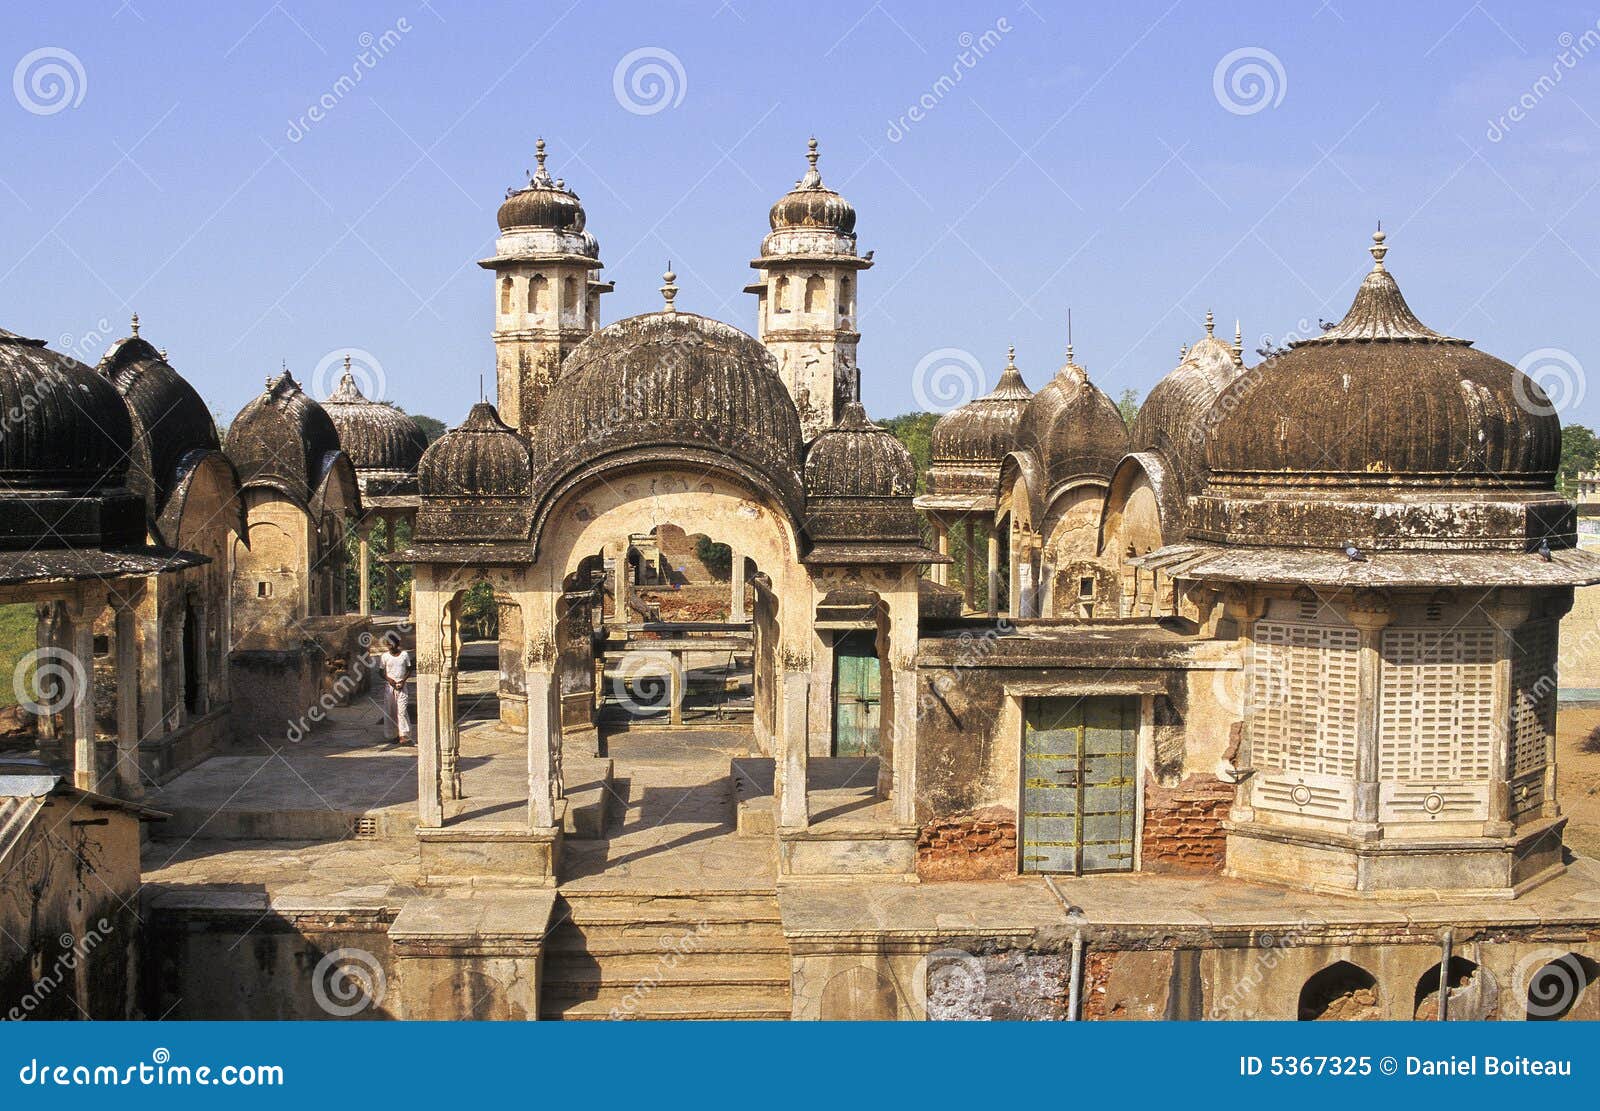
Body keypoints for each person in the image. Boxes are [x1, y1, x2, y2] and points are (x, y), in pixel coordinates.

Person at [379, 635, 413, 746]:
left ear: (397, 644)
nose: (389, 646)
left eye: (391, 643)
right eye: (388, 644)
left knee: (401, 711)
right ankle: (393, 735)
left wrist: (403, 680)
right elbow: (381, 672)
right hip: (390, 687)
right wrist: (389, 679)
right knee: (390, 711)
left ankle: (404, 735)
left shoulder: (404, 655)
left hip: (402, 686)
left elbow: (409, 669)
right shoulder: (385, 656)